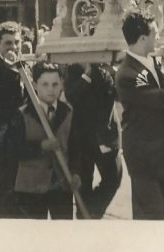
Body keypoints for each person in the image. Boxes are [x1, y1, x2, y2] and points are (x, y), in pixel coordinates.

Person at [115, 9, 164, 220]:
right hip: (144, 160)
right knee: (151, 220)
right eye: (155, 34)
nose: (159, 39)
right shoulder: (128, 74)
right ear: (142, 38)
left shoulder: (156, 63)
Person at [10, 62, 82, 219]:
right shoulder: (22, 114)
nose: (51, 89)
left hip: (61, 185)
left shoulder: (68, 112)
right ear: (35, 85)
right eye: (45, 84)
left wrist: (76, 172)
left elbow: (75, 147)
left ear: (62, 84)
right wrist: (40, 146)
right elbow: (13, 150)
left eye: (55, 84)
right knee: (34, 237)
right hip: (31, 187)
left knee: (63, 235)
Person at [0, 21, 30, 218]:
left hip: (27, 142)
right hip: (4, 143)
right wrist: (15, 70)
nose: (14, 48)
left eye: (16, 43)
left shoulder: (25, 67)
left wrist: (21, 69)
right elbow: (3, 101)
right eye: (8, 43)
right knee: (6, 203)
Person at [64, 63, 123, 219]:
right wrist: (88, 74)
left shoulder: (108, 69)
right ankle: (85, 217)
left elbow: (119, 94)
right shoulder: (74, 69)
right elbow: (72, 95)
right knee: (84, 185)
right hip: (83, 138)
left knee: (113, 179)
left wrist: (115, 72)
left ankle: (91, 212)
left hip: (107, 137)